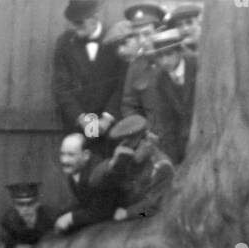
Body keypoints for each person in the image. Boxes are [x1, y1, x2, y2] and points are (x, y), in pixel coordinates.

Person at [52, 0, 127, 140]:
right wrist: (82, 119)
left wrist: (107, 119)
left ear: (94, 18)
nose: (74, 27)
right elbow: (61, 88)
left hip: (111, 129)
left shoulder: (115, 40)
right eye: (72, 22)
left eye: (79, 22)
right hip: (76, 127)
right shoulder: (64, 43)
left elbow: (122, 85)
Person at [122, 27, 197, 164]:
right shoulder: (160, 78)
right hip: (179, 138)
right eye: (160, 56)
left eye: (169, 54)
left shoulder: (196, 65)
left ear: (179, 51)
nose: (165, 61)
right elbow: (167, 120)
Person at [91, 115, 175, 220]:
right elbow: (93, 182)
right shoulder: (125, 156)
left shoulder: (162, 166)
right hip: (121, 220)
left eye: (134, 146)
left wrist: (128, 214)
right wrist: (112, 163)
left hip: (149, 220)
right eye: (126, 145)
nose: (130, 151)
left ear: (147, 141)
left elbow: (156, 208)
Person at [55, 133, 119, 233]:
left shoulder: (99, 174)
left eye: (71, 155)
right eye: (62, 154)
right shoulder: (75, 170)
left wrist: (71, 218)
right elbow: (86, 204)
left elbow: (102, 212)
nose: (64, 160)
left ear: (86, 155)